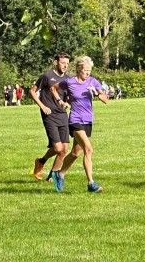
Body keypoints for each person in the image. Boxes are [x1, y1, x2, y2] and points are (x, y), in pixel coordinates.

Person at [50, 55, 110, 193]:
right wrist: (60, 101)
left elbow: (105, 99)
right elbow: (53, 89)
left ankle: (60, 174)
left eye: (89, 70)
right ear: (78, 70)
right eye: (85, 70)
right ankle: (91, 183)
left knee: (76, 153)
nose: (88, 73)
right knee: (89, 149)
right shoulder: (70, 82)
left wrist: (96, 94)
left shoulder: (93, 82)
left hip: (88, 120)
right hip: (75, 120)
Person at [29, 53, 71, 184]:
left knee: (64, 149)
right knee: (58, 148)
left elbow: (67, 96)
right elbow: (32, 91)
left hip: (63, 115)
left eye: (67, 64)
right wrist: (42, 106)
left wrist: (68, 102)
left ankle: (52, 175)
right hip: (49, 115)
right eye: (63, 63)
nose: (65, 66)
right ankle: (41, 161)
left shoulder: (67, 79)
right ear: (56, 62)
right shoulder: (47, 76)